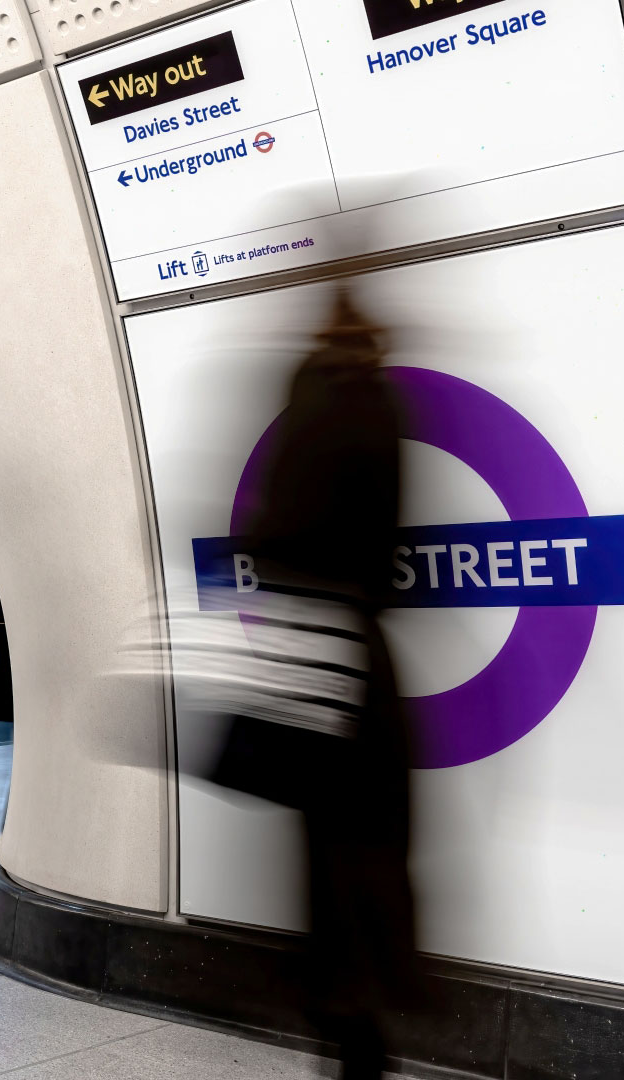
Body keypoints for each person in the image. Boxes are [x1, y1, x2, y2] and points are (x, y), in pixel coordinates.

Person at [212, 287, 419, 1080]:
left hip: (311, 668)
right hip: (364, 667)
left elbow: (270, 541)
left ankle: (348, 1034)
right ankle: (361, 1033)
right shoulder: (377, 400)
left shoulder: (314, 396)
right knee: (366, 860)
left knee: (330, 866)